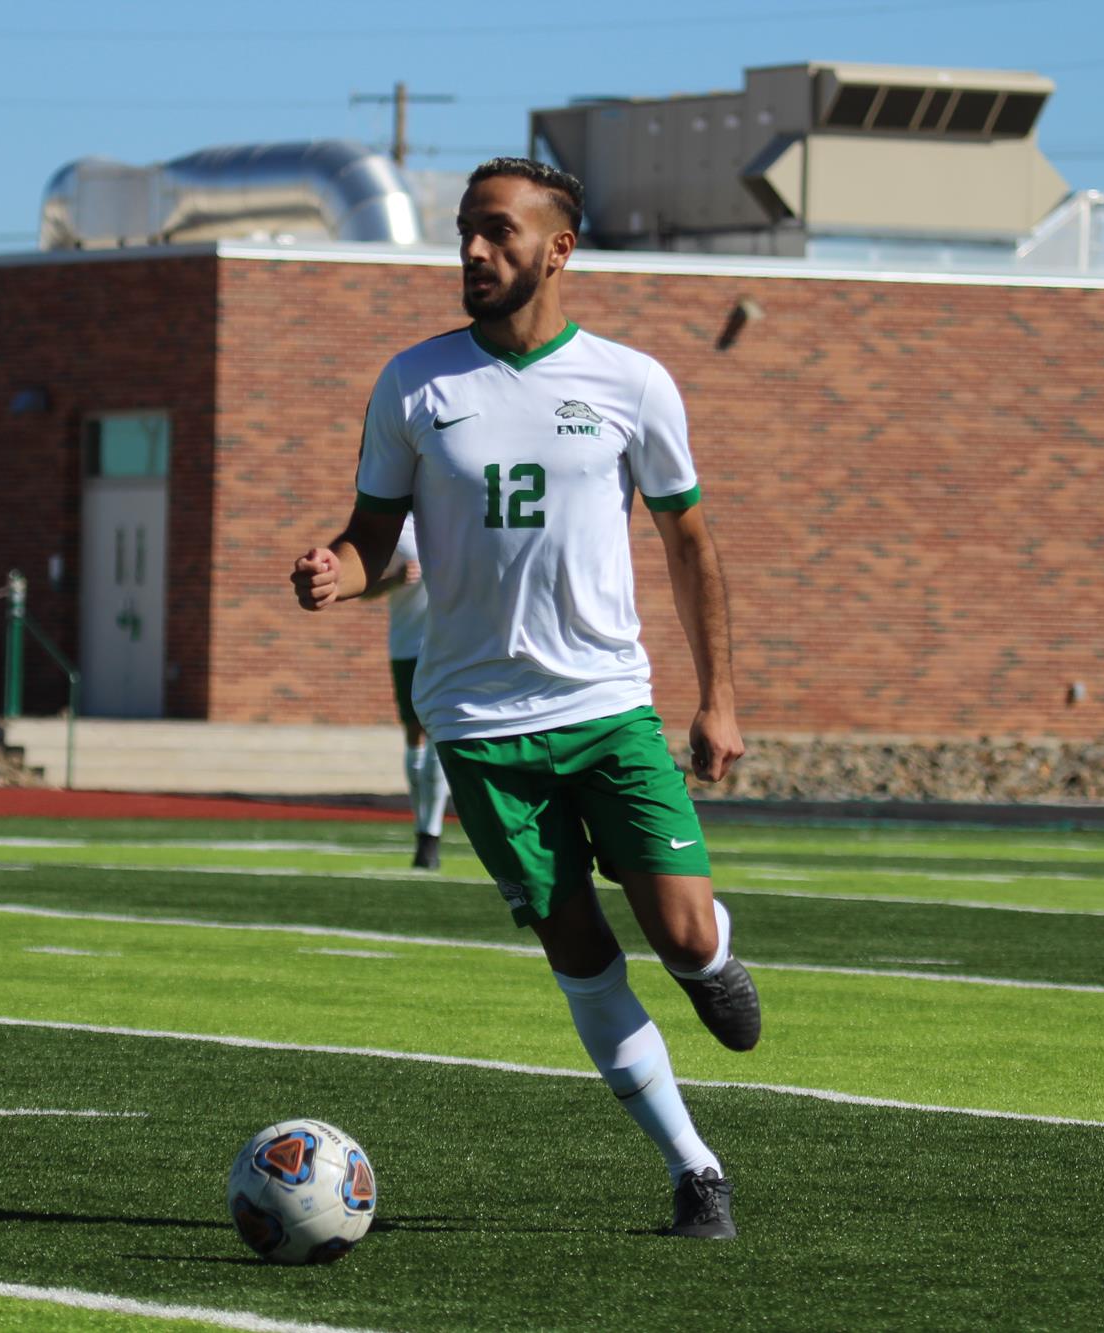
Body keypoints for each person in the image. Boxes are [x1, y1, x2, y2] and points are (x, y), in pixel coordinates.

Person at [290, 157, 757, 1241]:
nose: (470, 252)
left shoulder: (632, 382)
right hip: (479, 726)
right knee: (577, 949)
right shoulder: (412, 383)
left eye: (496, 233)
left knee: (679, 934)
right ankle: (695, 1170)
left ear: (558, 249)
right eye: (463, 231)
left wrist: (717, 697)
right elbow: (369, 539)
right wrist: (335, 572)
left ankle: (712, 957)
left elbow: (689, 539)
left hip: (607, 705)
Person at [360, 512, 451, 868]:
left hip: (450, 646)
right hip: (407, 646)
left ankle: (431, 837)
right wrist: (394, 580)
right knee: (415, 735)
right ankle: (420, 830)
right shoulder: (394, 525)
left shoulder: (458, 514)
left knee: (440, 732)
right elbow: (363, 587)